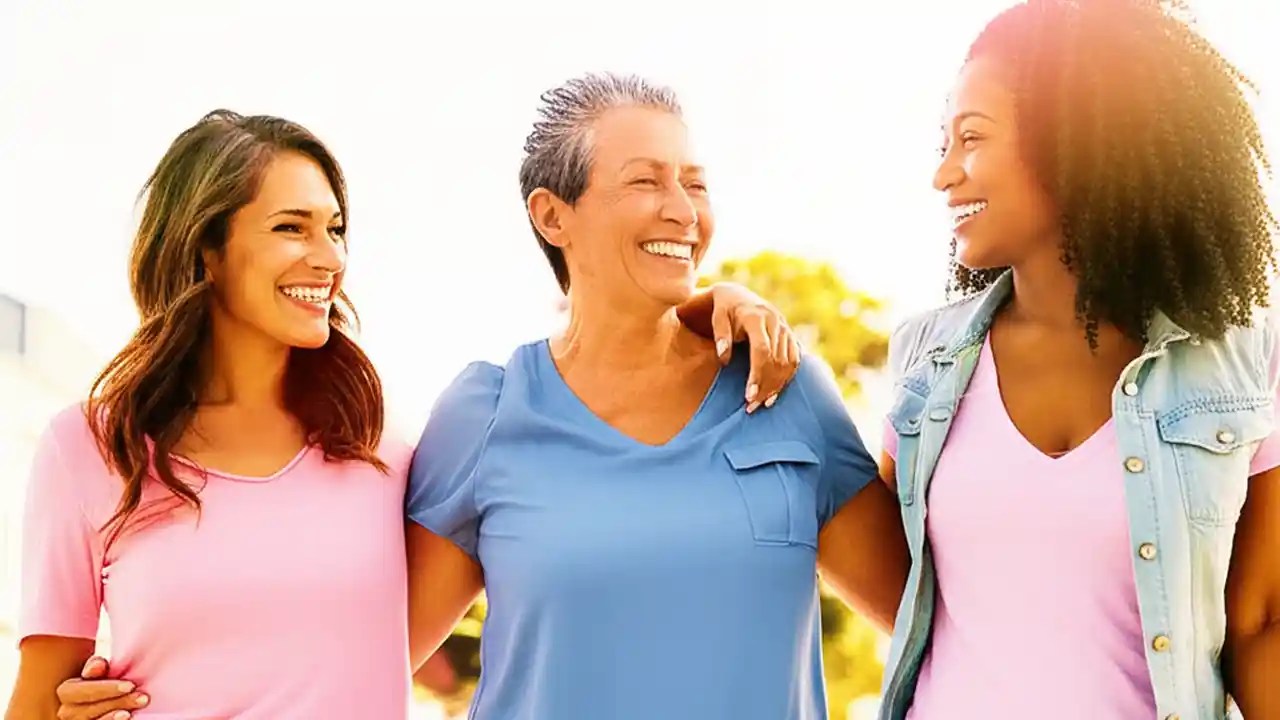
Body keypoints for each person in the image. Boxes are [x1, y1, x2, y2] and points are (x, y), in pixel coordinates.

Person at [15, 107, 801, 718]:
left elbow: (585, 445)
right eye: (290, 228)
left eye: (335, 228)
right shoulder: (89, 450)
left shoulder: (380, 455)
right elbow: (43, 699)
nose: (328, 256)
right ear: (204, 249)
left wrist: (706, 307)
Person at [395, 72, 907, 720]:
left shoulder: (784, 390)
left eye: (694, 184)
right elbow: (367, 664)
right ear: (553, 215)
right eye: (646, 181)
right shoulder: (486, 416)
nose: (683, 210)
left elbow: (939, 627)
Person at [876, 2, 1280, 719]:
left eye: (970, 137)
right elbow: (899, 591)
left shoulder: (1249, 363)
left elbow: (1260, 624)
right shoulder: (924, 361)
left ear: (1076, 143)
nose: (944, 175)